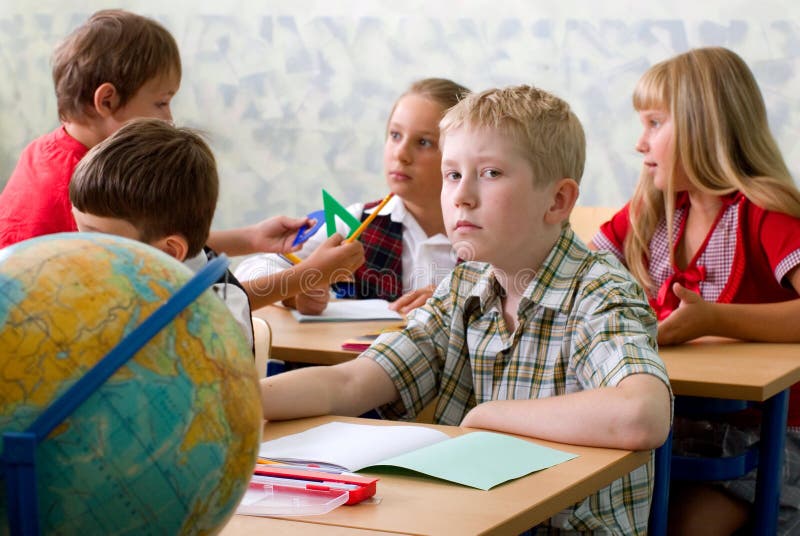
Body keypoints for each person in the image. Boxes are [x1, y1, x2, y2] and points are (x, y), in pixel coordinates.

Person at [259, 85, 672, 534]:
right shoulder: (464, 287)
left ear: (557, 201)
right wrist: (236, 400)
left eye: (491, 173)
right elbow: (353, 380)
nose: (462, 196)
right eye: (452, 174)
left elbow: (642, 415)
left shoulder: (599, 291)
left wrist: (489, 416)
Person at [590, 47, 800, 535]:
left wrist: (715, 318)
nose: (640, 143)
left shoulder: (764, 214)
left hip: (771, 440)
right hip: (675, 431)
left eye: (655, 123)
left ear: (705, 125)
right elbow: (566, 274)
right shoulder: (651, 214)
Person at [0, 9, 305, 257]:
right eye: (161, 102)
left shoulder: (45, 151)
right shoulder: (81, 183)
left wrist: (251, 239)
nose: (169, 118)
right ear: (107, 100)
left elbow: (149, 242)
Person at [236, 78, 470, 315]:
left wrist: (454, 300)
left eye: (423, 142)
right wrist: (295, 291)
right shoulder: (355, 221)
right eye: (395, 135)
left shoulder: (488, 235)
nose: (401, 154)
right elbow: (252, 269)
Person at [68, 118, 251, 348]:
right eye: (80, 230)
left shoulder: (219, 313)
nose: (83, 250)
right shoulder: (121, 277)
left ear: (168, 251)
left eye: (98, 238)